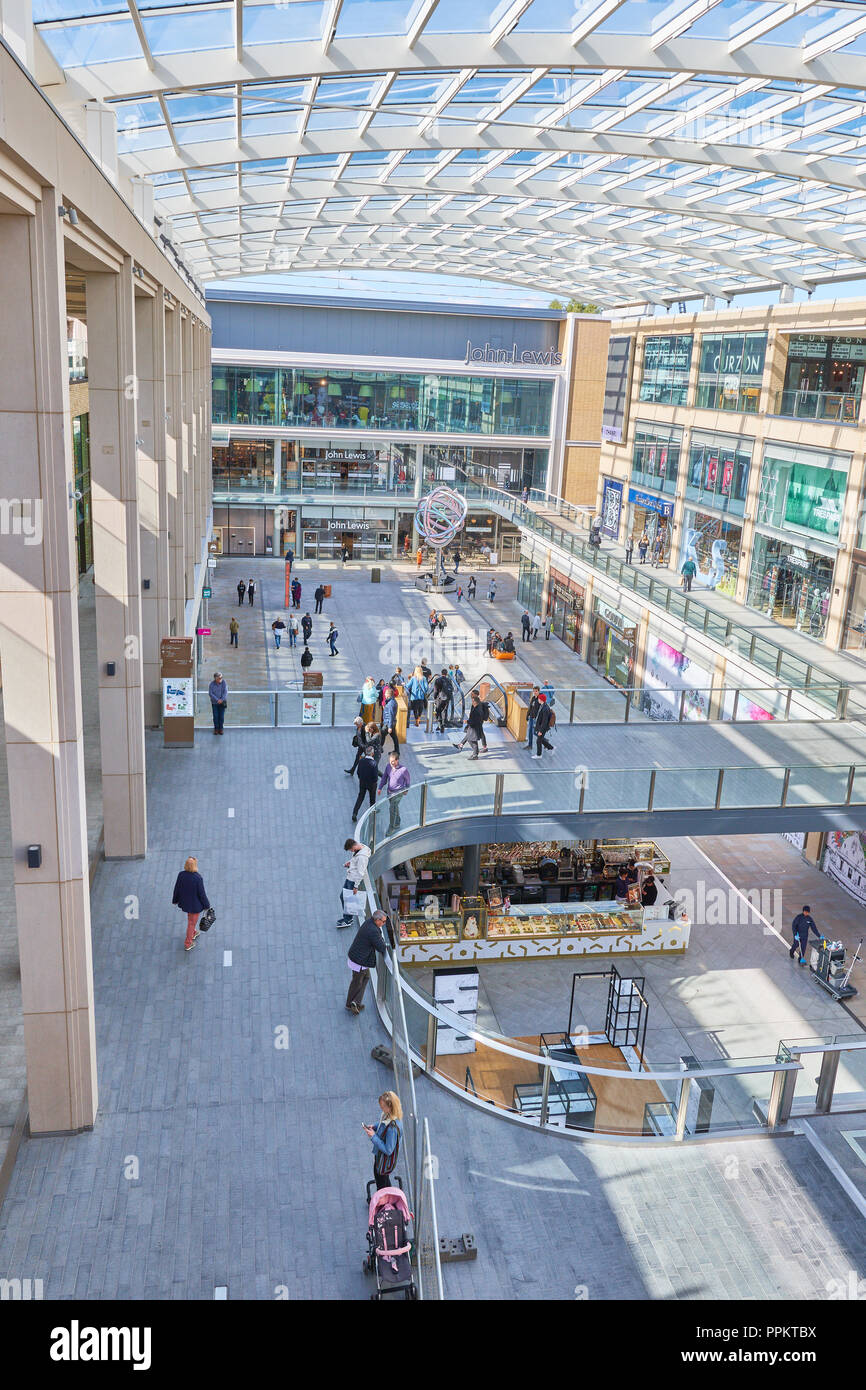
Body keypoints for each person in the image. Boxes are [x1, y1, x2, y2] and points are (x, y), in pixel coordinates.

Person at [345, 909, 390, 1015]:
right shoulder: (373, 931)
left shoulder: (369, 923)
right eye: (383, 922)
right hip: (359, 961)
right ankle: (349, 1004)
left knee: (365, 978)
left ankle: (355, 1002)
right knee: (357, 982)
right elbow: (381, 947)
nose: (384, 924)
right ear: (377, 920)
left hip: (358, 958)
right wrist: (383, 943)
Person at [363, 1091, 403, 1190]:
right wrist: (375, 1127)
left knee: (381, 1184)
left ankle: (384, 1202)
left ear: (390, 1107)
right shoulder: (391, 1116)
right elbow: (384, 1124)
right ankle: (389, 1195)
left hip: (383, 1161)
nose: (381, 1108)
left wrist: (373, 1137)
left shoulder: (392, 1128)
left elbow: (388, 1150)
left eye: (383, 1106)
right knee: (384, 1180)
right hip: (382, 1160)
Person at [172, 855, 211, 952]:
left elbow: (177, 888)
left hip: (186, 903)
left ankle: (193, 933)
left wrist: (175, 900)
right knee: (191, 923)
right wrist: (207, 905)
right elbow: (202, 894)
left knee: (190, 920)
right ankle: (188, 943)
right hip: (195, 906)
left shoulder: (181, 875)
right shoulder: (197, 878)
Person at [337, 837, 372, 928]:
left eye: (351, 850)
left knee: (346, 898)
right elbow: (356, 863)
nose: (351, 852)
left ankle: (348, 919)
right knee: (345, 897)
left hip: (352, 880)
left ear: (354, 847)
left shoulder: (362, 857)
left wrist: (356, 886)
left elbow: (361, 872)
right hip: (350, 878)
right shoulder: (361, 848)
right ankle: (348, 918)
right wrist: (350, 863)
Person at [378, 753, 411, 832]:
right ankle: (397, 821)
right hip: (389, 792)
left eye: (393, 761)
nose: (391, 763)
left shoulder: (403, 770)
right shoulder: (388, 766)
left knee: (392, 809)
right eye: (390, 761)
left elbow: (408, 781)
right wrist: (380, 787)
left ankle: (391, 827)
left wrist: (406, 790)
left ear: (397, 760)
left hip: (398, 793)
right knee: (395, 807)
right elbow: (384, 777)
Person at [457, 690, 486, 760]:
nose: (472, 702)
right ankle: (473, 752)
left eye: (473, 702)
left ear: (475, 702)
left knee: (472, 740)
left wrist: (467, 721)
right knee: (471, 738)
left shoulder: (477, 709)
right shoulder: (477, 707)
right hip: (475, 726)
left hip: (475, 727)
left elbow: (474, 719)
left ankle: (475, 754)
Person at [351, 751, 379, 822]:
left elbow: (358, 772)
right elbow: (375, 777)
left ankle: (355, 813)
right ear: (372, 754)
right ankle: (372, 812)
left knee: (360, 797)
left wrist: (361, 779)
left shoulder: (361, 761)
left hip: (362, 783)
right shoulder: (374, 763)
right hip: (371, 784)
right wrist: (374, 782)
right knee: (372, 799)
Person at [533, 692, 554, 759]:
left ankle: (539, 755)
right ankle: (551, 747)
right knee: (541, 739)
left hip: (543, 728)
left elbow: (544, 722)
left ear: (541, 699)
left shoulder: (545, 709)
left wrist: (541, 731)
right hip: (540, 726)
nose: (538, 699)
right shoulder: (543, 706)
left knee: (538, 741)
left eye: (539, 698)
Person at [433, 668, 452, 734]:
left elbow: (435, 690)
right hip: (447, 698)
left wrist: (435, 697)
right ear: (446, 674)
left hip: (440, 698)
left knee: (438, 711)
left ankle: (440, 725)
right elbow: (451, 689)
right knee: (444, 711)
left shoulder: (438, 680)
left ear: (441, 673)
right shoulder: (449, 680)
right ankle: (443, 725)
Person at [381, 686, 399, 755]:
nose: (384, 694)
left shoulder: (391, 703)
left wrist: (390, 727)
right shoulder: (391, 701)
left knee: (382, 735)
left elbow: (391, 715)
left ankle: (379, 748)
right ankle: (397, 751)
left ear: (389, 694)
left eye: (385, 693)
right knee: (394, 737)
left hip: (388, 723)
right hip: (390, 722)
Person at [525, 686, 541, 751]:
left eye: (536, 691)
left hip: (536, 718)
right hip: (531, 717)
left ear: (539, 691)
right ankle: (530, 745)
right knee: (530, 732)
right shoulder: (533, 698)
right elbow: (530, 707)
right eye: (534, 691)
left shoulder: (540, 699)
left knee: (534, 732)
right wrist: (527, 715)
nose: (535, 692)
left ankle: (545, 741)